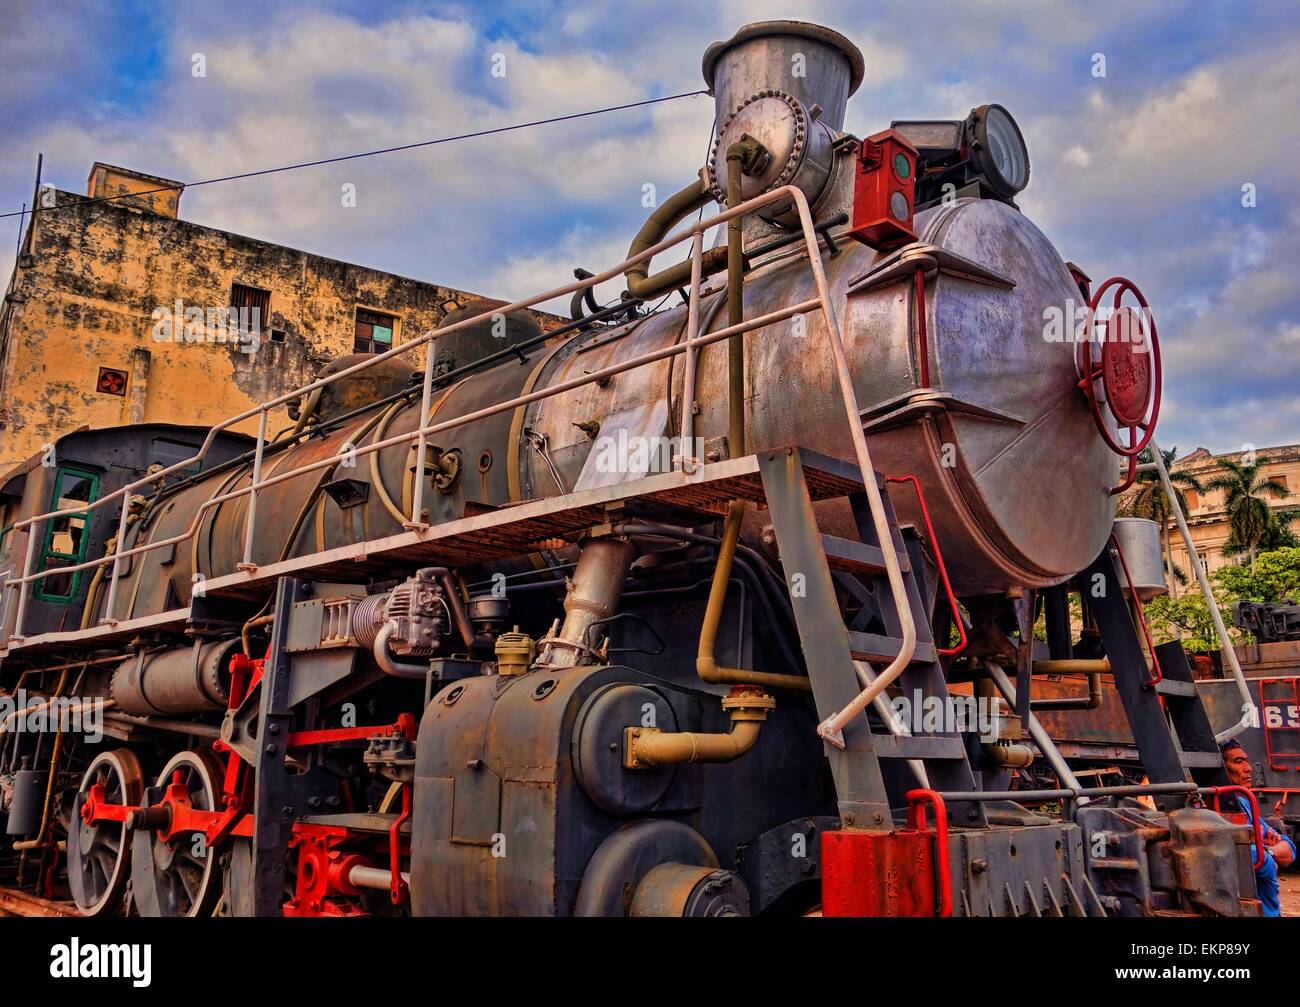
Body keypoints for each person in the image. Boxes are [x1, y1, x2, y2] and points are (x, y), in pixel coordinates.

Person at [1220, 738, 1295, 916]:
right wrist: (1265, 854)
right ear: (1221, 768)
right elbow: (1244, 859)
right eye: (1238, 761)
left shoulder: (1245, 804)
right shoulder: (1212, 808)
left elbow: (1289, 850)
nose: (1249, 768)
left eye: (1246, 761)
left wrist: (1268, 852)